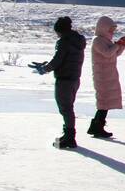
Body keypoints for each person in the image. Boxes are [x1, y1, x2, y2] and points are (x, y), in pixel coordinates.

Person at [33, 16, 86, 149]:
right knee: (68, 108)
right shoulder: (77, 41)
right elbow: (64, 60)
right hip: (74, 79)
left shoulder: (65, 42)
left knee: (65, 108)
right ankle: (68, 135)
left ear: (60, 31)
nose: (56, 35)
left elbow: (58, 61)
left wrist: (44, 69)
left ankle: (69, 138)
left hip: (64, 80)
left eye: (57, 32)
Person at [89, 16, 125, 138]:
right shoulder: (97, 41)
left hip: (108, 75)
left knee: (105, 103)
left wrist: (122, 45)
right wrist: (117, 44)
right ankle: (97, 127)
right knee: (103, 102)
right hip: (102, 76)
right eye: (110, 29)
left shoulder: (105, 41)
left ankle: (96, 126)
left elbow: (115, 54)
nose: (112, 32)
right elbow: (107, 53)